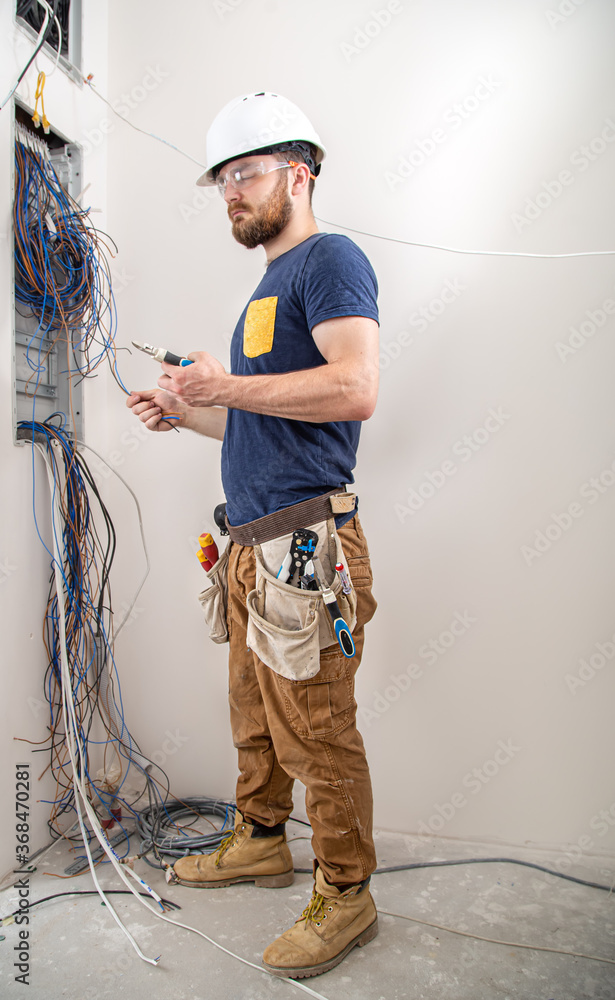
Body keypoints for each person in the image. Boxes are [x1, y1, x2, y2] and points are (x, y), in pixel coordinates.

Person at [126, 91, 380, 979]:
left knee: (318, 730)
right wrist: (186, 406)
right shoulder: (265, 289)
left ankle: (346, 893)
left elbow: (352, 390)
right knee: (255, 723)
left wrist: (222, 385)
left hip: (307, 548)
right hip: (251, 546)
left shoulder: (329, 261)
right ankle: (262, 841)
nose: (230, 193)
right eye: (221, 180)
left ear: (297, 173)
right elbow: (262, 425)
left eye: (245, 173)